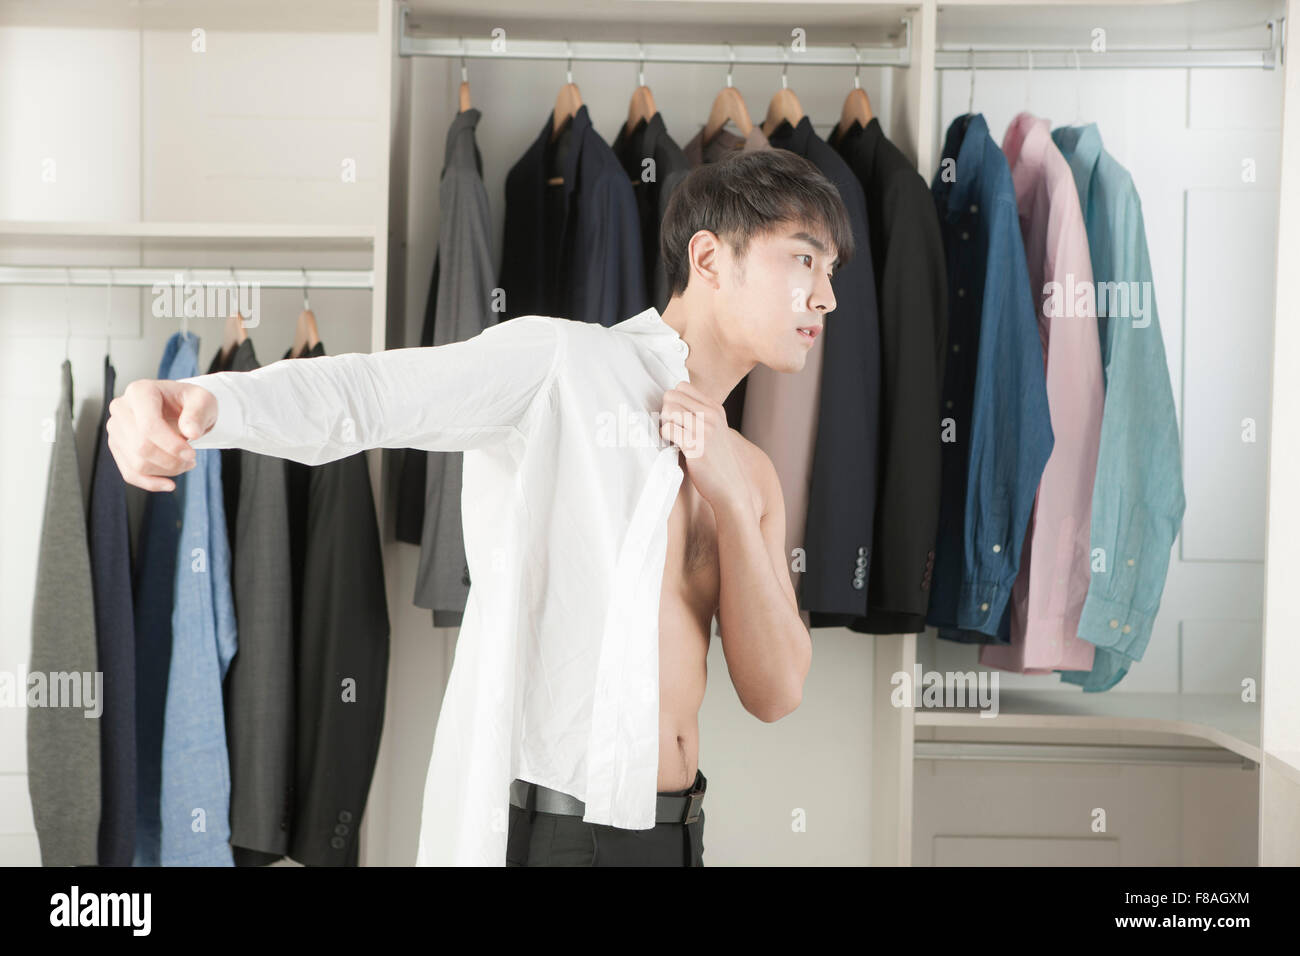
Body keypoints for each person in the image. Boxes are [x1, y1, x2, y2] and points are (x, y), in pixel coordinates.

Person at [106, 147, 852, 866]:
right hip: (559, 834)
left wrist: (724, 491)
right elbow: (375, 396)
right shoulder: (567, 365)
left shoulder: (748, 471)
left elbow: (777, 691)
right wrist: (204, 402)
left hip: (679, 834)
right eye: (803, 258)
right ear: (710, 258)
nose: (826, 295)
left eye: (831, 269)